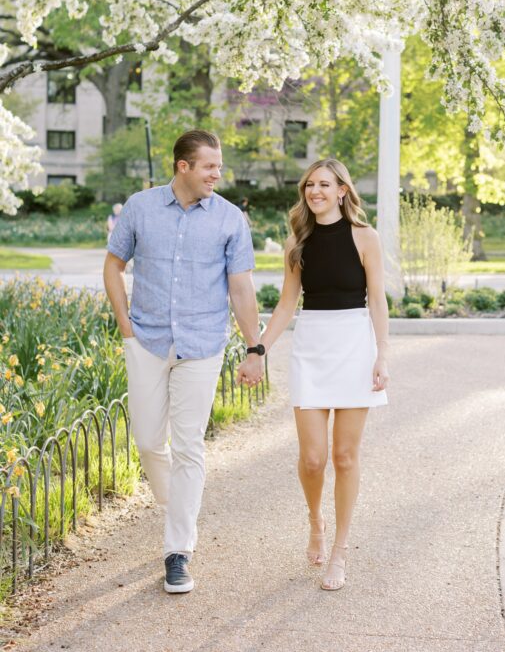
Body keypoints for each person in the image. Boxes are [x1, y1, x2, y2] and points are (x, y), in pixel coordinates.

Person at [103, 129, 265, 595]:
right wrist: (125, 326)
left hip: (203, 346)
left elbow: (241, 288)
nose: (218, 173)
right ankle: (179, 505)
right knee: (150, 441)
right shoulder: (141, 207)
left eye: (219, 166)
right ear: (183, 167)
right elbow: (113, 265)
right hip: (147, 340)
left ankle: (178, 550)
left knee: (189, 445)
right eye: (210, 166)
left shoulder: (230, 219)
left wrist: (254, 347)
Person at [249, 158, 389, 591]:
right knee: (313, 459)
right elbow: (287, 304)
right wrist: (258, 350)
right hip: (311, 348)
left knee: (345, 456)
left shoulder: (366, 238)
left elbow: (378, 301)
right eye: (310, 185)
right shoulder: (299, 241)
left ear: (343, 190)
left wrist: (383, 355)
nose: (316, 192)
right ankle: (316, 521)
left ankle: (340, 551)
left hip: (353, 347)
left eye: (325, 184)